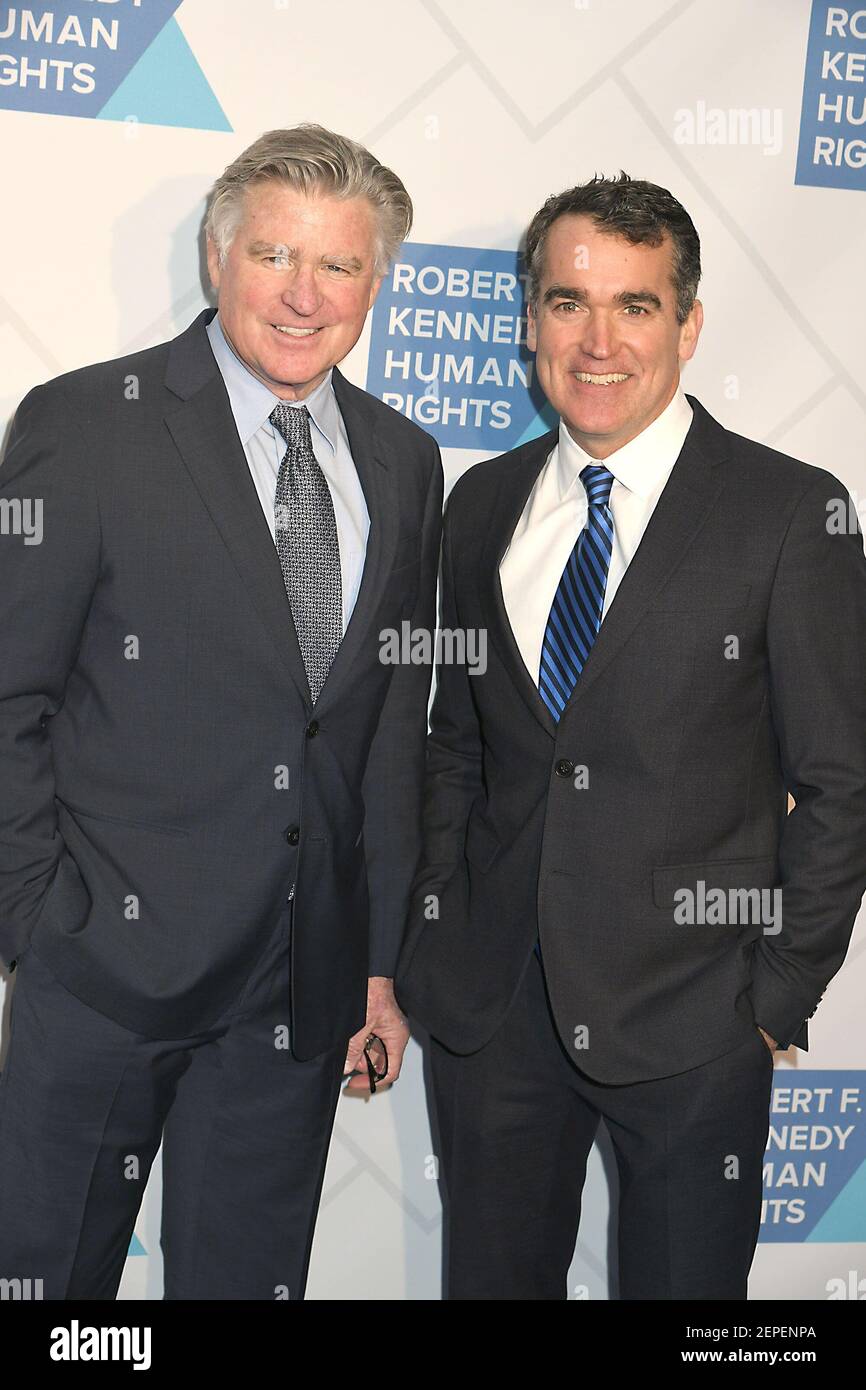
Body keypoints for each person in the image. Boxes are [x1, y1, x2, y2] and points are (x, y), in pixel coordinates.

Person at [396, 173, 866, 1300]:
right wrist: (433, 939)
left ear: (687, 323)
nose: (597, 340)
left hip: (695, 1020)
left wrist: (773, 995)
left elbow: (840, 780)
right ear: (529, 323)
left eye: (636, 305)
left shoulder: (789, 512)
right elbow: (455, 741)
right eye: (567, 302)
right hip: (491, 1011)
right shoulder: (478, 504)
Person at [0, 123, 442, 1300]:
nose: (304, 297)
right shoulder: (87, 424)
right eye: (274, 256)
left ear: (375, 283)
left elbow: (386, 728)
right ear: (216, 256)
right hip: (102, 975)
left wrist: (377, 966)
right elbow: (9, 693)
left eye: (339, 266)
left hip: (295, 991)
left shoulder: (404, 461)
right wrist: (41, 923)